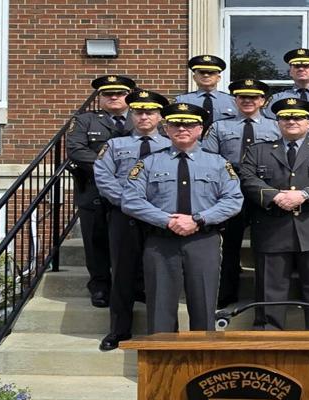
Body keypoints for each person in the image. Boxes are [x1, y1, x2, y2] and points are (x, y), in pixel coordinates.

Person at [122, 101, 242, 335]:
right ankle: (162, 364)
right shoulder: (148, 163)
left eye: (189, 124)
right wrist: (167, 220)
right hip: (161, 241)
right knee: (160, 306)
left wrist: (197, 219)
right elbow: (131, 200)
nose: (182, 129)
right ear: (166, 129)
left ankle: (202, 359)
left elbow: (233, 200)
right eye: (175, 124)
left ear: (200, 130)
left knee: (204, 303)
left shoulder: (218, 163)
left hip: (203, 241)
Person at [240, 98, 309, 330]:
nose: (292, 121)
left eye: (298, 117)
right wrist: (275, 196)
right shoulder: (258, 150)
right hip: (273, 227)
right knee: (270, 288)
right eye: (285, 117)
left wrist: (304, 195)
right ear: (277, 122)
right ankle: (268, 335)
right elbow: (248, 179)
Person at [92, 89, 172, 351]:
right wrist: (130, 204)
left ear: (160, 116)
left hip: (160, 219)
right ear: (131, 115)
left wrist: (157, 211)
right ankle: (118, 330)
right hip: (123, 217)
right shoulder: (115, 145)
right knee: (123, 273)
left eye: (150, 112)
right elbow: (104, 178)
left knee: (161, 274)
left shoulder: (172, 146)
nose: (144, 116)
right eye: (138, 112)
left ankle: (161, 332)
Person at [202, 78, 278, 310]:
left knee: (268, 243)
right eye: (242, 97)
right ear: (235, 99)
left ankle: (267, 297)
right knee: (229, 244)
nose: (247, 101)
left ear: (262, 100)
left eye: (253, 97)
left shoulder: (275, 126)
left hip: (265, 188)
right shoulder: (219, 127)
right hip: (230, 187)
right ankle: (225, 294)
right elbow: (210, 159)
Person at [68, 74, 137, 308]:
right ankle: (100, 286)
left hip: (133, 189)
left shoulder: (141, 119)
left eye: (120, 93)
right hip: (94, 189)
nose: (114, 97)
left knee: (133, 240)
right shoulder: (86, 120)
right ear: (100, 98)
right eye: (108, 94)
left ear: (129, 96)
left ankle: (134, 284)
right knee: (96, 240)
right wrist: (110, 167)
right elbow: (76, 150)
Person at [175, 55, 239, 127]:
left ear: (218, 78)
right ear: (194, 77)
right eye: (201, 72)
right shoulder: (182, 100)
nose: (206, 75)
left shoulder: (233, 101)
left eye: (211, 73)